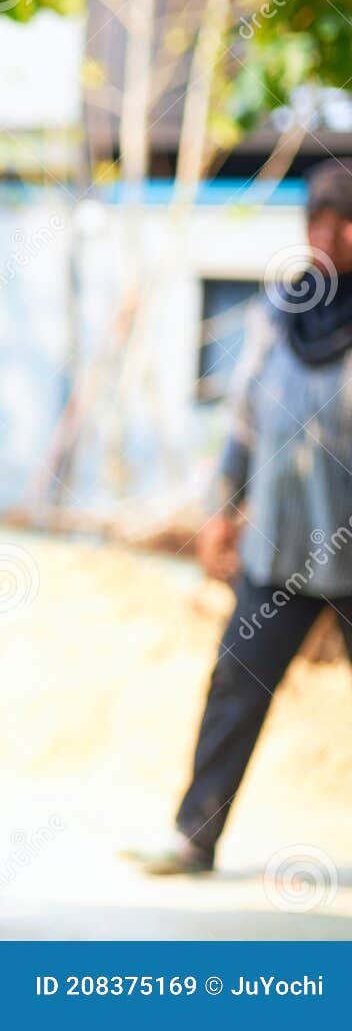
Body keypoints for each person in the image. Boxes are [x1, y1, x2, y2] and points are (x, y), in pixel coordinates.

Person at [131, 161, 352, 876]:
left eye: (342, 222)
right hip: (280, 548)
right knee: (236, 682)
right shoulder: (279, 314)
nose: (329, 236)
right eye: (318, 221)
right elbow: (244, 425)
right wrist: (220, 509)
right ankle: (196, 834)